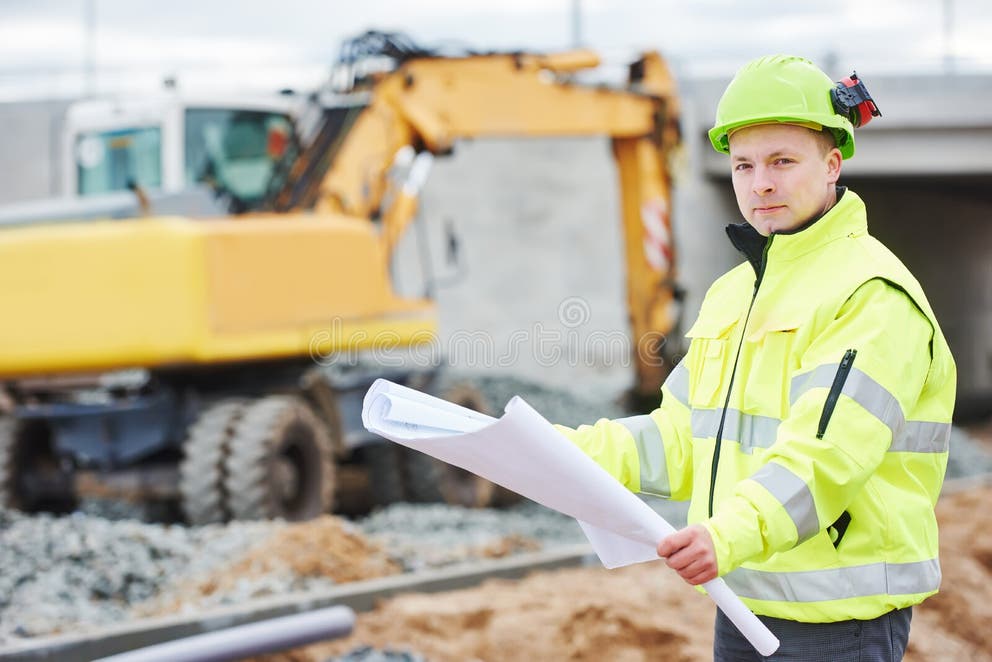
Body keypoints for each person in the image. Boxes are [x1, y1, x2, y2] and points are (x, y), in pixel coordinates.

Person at [559, 55, 956, 661]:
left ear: (832, 165)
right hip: (743, 604)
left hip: (837, 624)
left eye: (781, 162)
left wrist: (726, 537)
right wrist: (556, 451)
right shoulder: (735, 293)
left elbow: (824, 459)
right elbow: (680, 439)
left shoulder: (870, 293)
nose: (760, 183)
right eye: (743, 165)